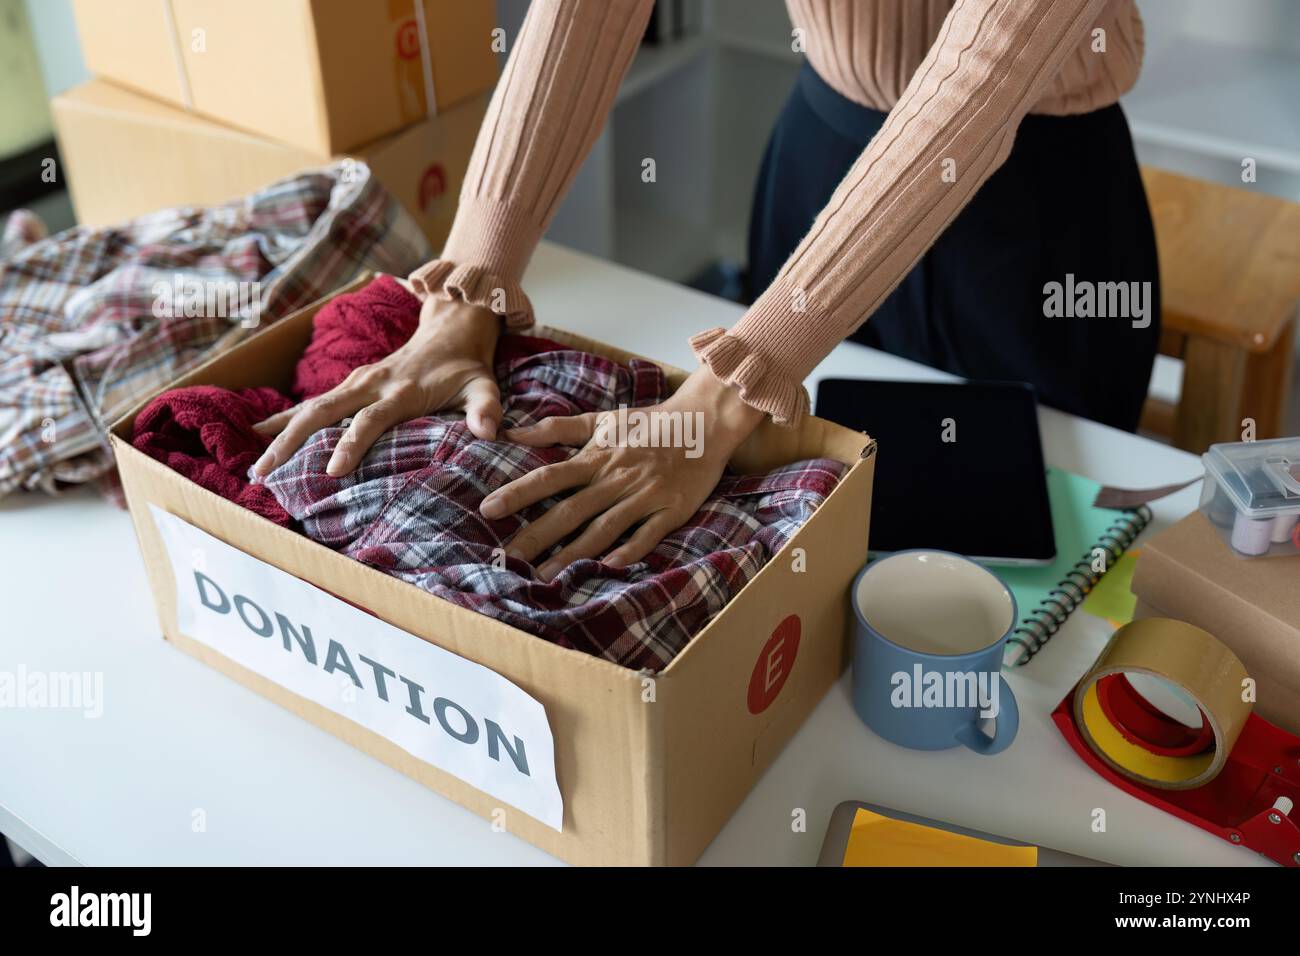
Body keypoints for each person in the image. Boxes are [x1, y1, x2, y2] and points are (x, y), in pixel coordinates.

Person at [254, 0, 1158, 583]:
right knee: (803, 536)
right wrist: (466, 293)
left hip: (1038, 210)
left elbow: (983, 78)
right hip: (827, 150)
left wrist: (727, 391)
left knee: (1030, 554)